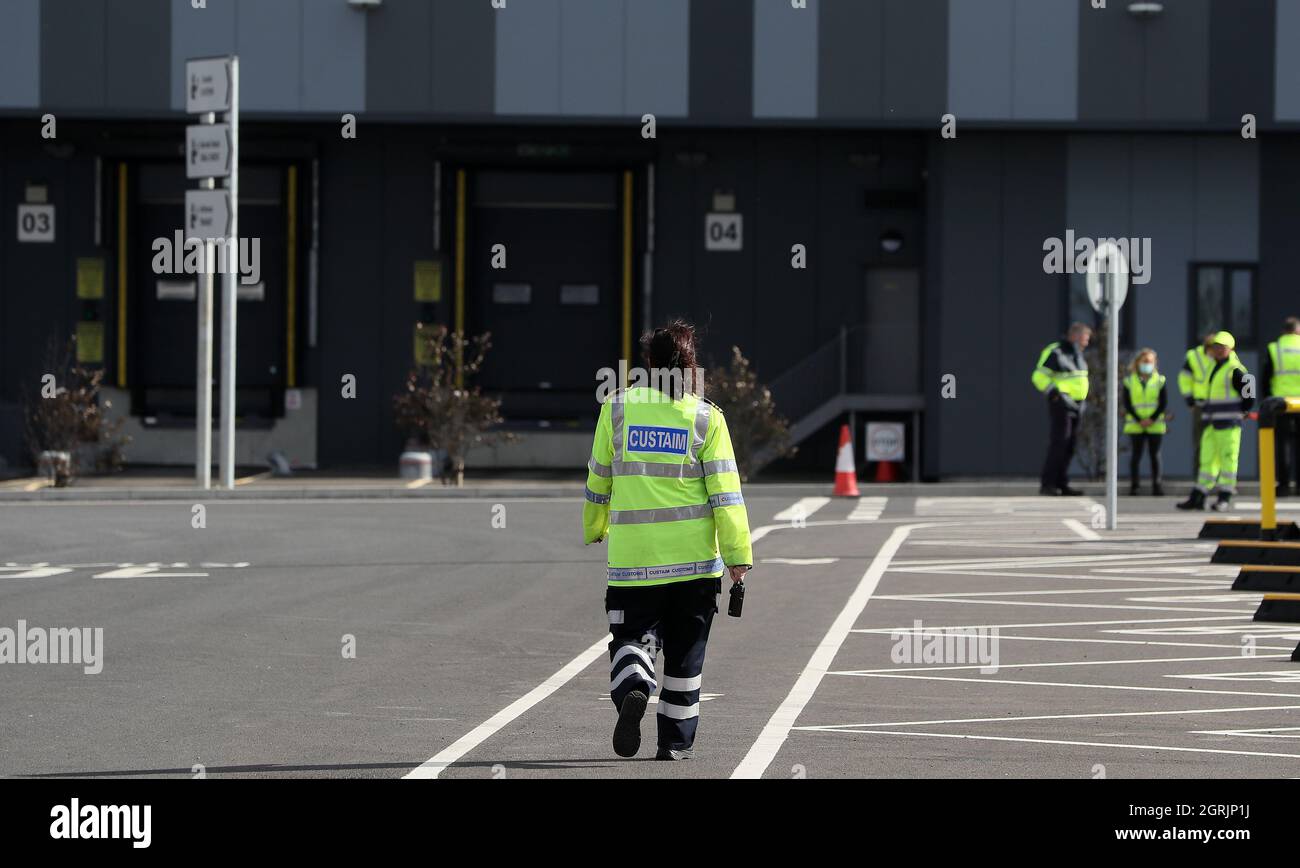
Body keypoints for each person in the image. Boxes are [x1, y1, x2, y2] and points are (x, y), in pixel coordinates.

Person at [582, 320, 752, 761]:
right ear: (690, 365)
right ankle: (675, 745)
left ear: (650, 364)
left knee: (631, 637)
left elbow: (599, 477)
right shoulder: (706, 418)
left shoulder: (616, 410)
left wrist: (595, 525)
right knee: (685, 660)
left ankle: (635, 680)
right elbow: (726, 496)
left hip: (633, 563)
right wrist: (738, 557)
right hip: (694, 568)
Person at [1177, 331, 1253, 512]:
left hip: (1228, 423)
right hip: (1211, 421)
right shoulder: (1214, 366)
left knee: (1228, 460)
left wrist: (1243, 411)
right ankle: (1199, 495)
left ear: (1230, 348)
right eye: (1216, 347)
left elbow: (1249, 393)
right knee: (1207, 460)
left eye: (1222, 347)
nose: (1218, 350)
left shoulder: (1235, 369)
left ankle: (1224, 497)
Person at [1032, 322, 1091, 495]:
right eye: (1084, 338)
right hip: (1062, 405)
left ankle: (1061, 483)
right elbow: (1038, 376)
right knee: (1059, 443)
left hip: (1077, 405)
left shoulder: (1076, 354)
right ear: (1074, 336)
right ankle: (1048, 484)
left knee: (1070, 445)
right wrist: (1056, 395)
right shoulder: (1056, 352)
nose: (1086, 343)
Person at [1262, 317, 1300, 496]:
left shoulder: (1275, 348)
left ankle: (1284, 484)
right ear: (1297, 330)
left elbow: (1265, 377)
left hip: (1281, 403)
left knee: (1282, 444)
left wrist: (1267, 400)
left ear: (1284, 331)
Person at [1122, 348, 1168, 496]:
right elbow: (1127, 404)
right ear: (1138, 363)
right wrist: (1139, 419)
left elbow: (1163, 403)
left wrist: (1151, 419)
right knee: (1136, 456)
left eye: (1150, 362)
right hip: (1136, 425)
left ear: (1154, 364)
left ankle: (1157, 486)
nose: (1147, 365)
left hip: (1155, 425)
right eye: (1144, 362)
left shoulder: (1160, 381)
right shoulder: (1129, 381)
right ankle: (1135, 486)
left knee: (1155, 456)